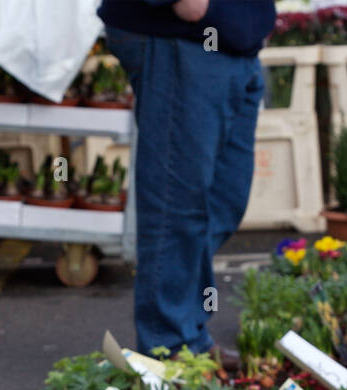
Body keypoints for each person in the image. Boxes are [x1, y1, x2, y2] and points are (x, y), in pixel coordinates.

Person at [98, 0, 274, 367]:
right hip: (182, 38)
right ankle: (169, 346)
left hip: (229, 39)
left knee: (221, 201)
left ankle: (187, 332)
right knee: (178, 202)